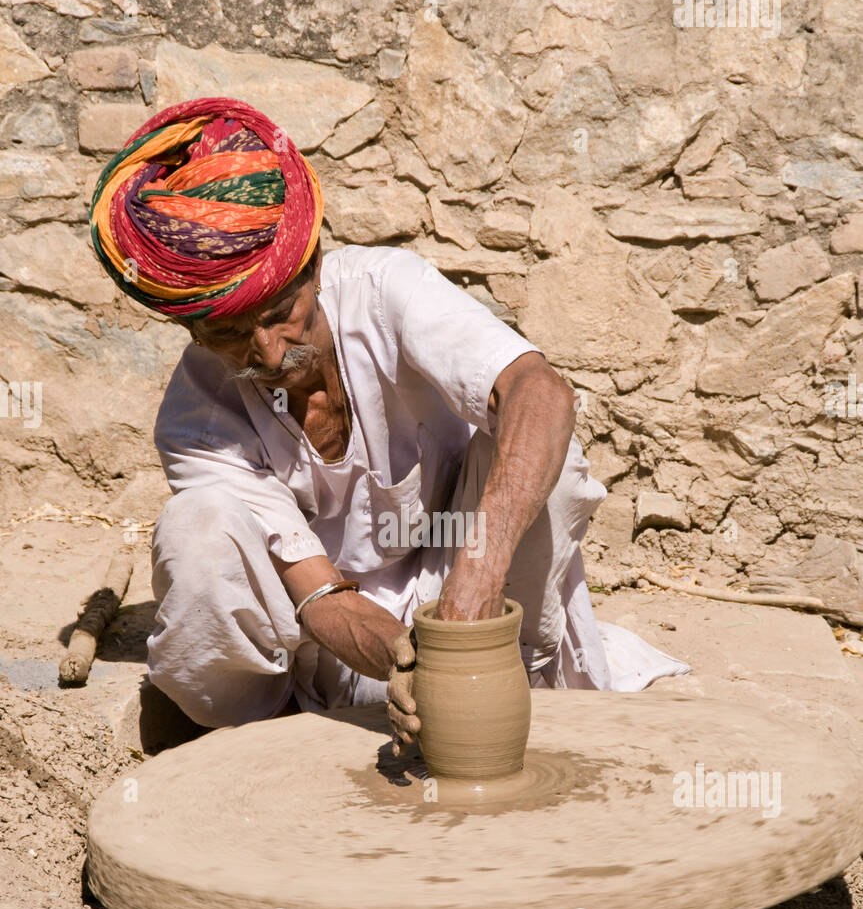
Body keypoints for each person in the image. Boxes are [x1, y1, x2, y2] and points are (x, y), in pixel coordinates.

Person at [89, 97, 687, 747]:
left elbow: (537, 391)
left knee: (543, 447)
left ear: (312, 264)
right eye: (228, 333)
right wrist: (412, 663)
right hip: (316, 642)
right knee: (196, 525)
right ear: (192, 330)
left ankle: (502, 673)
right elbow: (323, 601)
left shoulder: (385, 291)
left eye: (277, 314)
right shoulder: (195, 422)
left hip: (453, 573)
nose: (266, 351)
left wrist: (474, 582)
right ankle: (250, 735)